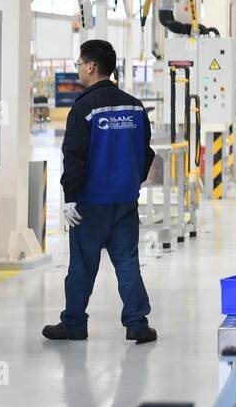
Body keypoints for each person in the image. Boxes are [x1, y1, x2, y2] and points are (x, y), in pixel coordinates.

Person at [43, 39, 157, 344]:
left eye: (80, 64)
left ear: (91, 66)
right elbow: (147, 153)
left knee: (82, 264)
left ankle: (74, 323)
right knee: (128, 261)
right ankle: (137, 323)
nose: (79, 69)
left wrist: (70, 196)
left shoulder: (84, 108)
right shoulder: (134, 106)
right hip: (125, 200)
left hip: (91, 203)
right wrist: (132, 181)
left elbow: (74, 155)